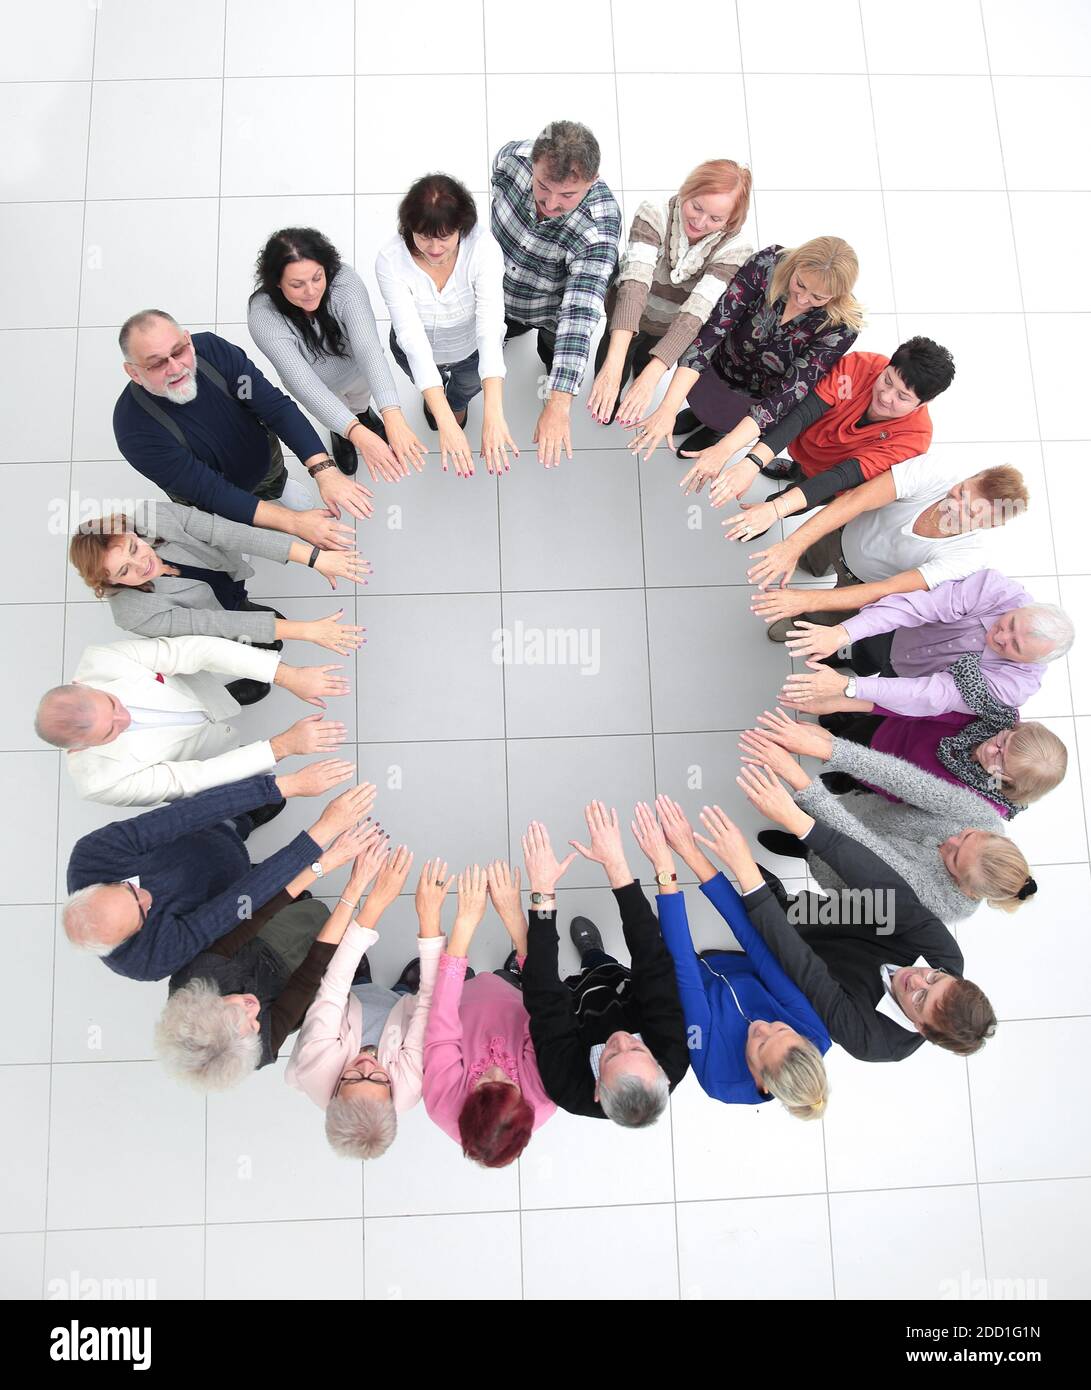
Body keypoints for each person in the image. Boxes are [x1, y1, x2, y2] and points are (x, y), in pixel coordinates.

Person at [729, 765, 996, 1062]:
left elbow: (806, 970)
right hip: (839, 922)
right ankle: (793, 868)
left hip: (799, 970)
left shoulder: (872, 1041)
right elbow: (884, 887)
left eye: (921, 998)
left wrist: (750, 884)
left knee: (753, 909)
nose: (917, 979)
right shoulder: (946, 957)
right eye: (934, 978)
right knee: (789, 907)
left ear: (921, 1029)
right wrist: (803, 825)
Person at [63, 776, 376, 982]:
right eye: (142, 913)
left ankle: (241, 823)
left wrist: (282, 786)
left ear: (101, 884)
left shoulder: (92, 856)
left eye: (130, 889)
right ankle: (270, 878)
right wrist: (321, 834)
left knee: (229, 827)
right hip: (226, 892)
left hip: (202, 835)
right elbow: (233, 905)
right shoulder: (148, 960)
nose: (147, 897)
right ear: (128, 939)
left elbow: (185, 815)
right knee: (257, 893)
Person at [636, 796, 829, 1117]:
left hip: (696, 988)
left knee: (666, 970)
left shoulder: (718, 1078)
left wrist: (665, 870)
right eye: (781, 1029)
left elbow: (686, 979)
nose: (763, 1026)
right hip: (740, 968)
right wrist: (689, 851)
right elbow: (754, 941)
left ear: (761, 1082)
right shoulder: (813, 1031)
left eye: (762, 1045)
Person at [739, 716, 1036, 923]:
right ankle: (804, 834)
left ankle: (804, 850)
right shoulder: (985, 818)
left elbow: (866, 854)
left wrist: (803, 785)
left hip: (843, 867)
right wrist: (830, 748)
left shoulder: (946, 905)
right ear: (992, 834)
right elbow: (909, 781)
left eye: (955, 857)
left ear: (967, 889)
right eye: (966, 836)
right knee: (815, 817)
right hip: (865, 812)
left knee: (814, 847)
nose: (951, 840)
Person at [113, 312, 372, 545]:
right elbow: (212, 491)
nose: (175, 367)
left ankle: (278, 489)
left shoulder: (213, 351)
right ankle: (245, 529)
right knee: (230, 526)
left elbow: (275, 408)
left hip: (261, 456)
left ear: (188, 340)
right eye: (157, 363)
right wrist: (295, 523)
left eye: (178, 351)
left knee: (274, 478)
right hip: (212, 499)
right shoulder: (134, 430)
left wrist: (323, 470)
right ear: (133, 372)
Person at [155, 827, 384, 1089]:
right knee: (328, 944)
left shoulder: (197, 974)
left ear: (207, 1003)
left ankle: (306, 907)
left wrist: (325, 864)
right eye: (254, 1026)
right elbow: (307, 977)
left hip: (260, 941)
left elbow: (256, 915)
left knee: (312, 913)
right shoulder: (253, 1050)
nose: (254, 1009)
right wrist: (354, 888)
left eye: (239, 1012)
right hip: (288, 982)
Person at [628, 239, 863, 493]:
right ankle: (697, 416)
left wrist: (725, 450)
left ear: (837, 296)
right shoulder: (768, 264)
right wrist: (668, 406)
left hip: (758, 397)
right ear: (794, 265)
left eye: (818, 297)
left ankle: (715, 433)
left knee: (723, 423)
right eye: (800, 284)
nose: (803, 299)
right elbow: (714, 328)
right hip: (720, 362)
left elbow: (792, 390)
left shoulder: (841, 326)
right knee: (699, 403)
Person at [35, 634, 352, 806]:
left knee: (221, 694)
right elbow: (193, 778)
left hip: (197, 691)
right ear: (78, 750)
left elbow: (192, 651)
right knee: (238, 797)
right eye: (110, 731)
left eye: (111, 703)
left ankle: (231, 697)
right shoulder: (100, 783)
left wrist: (288, 676)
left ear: (82, 685)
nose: (125, 716)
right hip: (202, 758)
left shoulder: (103, 660)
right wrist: (282, 747)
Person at [516, 809, 688, 1125]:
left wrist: (542, 891)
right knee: (603, 968)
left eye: (610, 1055)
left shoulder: (567, 1087)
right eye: (637, 1050)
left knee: (537, 980)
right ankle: (595, 957)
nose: (621, 1038)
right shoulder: (674, 1055)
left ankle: (521, 971)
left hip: (573, 1011)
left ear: (597, 1087)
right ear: (660, 1069)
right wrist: (616, 865)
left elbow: (545, 999)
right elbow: (652, 961)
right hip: (622, 989)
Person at [743, 460, 1029, 644]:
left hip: (862, 585)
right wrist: (793, 544)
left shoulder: (968, 556)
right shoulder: (938, 470)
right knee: (812, 558)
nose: (952, 507)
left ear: (989, 526)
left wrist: (803, 601)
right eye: (961, 493)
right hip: (843, 533)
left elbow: (886, 590)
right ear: (970, 475)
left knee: (821, 615)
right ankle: (811, 563)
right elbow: (857, 500)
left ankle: (799, 621)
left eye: (970, 512)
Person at [287, 851, 453, 1163]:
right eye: (378, 1080)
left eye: (352, 1078)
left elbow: (333, 987)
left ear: (334, 1092)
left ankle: (363, 982)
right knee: (408, 999)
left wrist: (375, 901)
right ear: (393, 1097)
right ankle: (402, 989)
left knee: (350, 979)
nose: (367, 1064)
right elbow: (429, 1001)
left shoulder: (315, 1064)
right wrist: (430, 917)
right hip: (396, 1018)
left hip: (349, 1008)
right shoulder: (411, 1086)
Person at [248, 227, 427, 483]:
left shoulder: (345, 282)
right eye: (297, 285)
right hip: (318, 385)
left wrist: (392, 413)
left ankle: (365, 415)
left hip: (356, 371)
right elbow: (303, 383)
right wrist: (354, 432)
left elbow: (368, 349)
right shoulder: (263, 315)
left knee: (360, 401)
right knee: (339, 415)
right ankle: (342, 435)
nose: (311, 291)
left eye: (317, 278)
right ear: (277, 282)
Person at [491, 121, 622, 467]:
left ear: (592, 182)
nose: (550, 203)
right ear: (533, 166)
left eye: (568, 195)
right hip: (499, 293)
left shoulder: (599, 225)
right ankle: (507, 333)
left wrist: (559, 401)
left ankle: (552, 367)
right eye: (543, 186)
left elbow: (579, 314)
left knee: (551, 347)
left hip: (551, 310)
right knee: (505, 327)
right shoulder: (511, 157)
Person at [586, 160, 754, 429]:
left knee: (646, 361)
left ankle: (638, 375)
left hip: (673, 326)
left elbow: (696, 313)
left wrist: (652, 377)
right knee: (613, 355)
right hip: (627, 314)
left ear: (731, 220)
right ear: (687, 190)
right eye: (696, 206)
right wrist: (613, 367)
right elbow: (634, 286)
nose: (699, 222)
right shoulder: (654, 213)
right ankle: (612, 391)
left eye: (715, 218)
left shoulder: (736, 249)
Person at [69, 504, 368, 655]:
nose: (142, 563)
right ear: (109, 582)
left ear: (130, 532)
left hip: (224, 585)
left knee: (245, 608)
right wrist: (309, 631)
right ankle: (256, 673)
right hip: (212, 624)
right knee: (244, 641)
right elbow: (216, 625)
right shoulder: (134, 613)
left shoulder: (155, 515)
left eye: (134, 548)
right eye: (124, 571)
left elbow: (229, 533)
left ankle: (246, 608)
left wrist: (315, 558)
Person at [705, 337, 954, 515]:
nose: (886, 397)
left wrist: (774, 510)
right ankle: (793, 469)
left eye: (902, 397)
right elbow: (803, 415)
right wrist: (753, 462)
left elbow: (842, 476)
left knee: (794, 499)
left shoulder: (914, 438)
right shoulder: (861, 366)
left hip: (831, 477)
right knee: (799, 467)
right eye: (887, 380)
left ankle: (773, 506)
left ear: (924, 403)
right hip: (805, 443)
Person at [780, 570, 1076, 718]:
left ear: (1028, 663)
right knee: (859, 653)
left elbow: (934, 694)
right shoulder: (998, 591)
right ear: (1023, 608)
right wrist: (843, 632)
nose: (1000, 637)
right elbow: (917, 607)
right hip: (899, 634)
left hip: (911, 684)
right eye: (1010, 624)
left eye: (1014, 647)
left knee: (863, 708)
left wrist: (851, 689)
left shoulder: (1014, 686)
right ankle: (839, 656)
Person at [375, 174, 516, 477]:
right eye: (424, 236)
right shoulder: (391, 260)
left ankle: (456, 404)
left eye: (444, 237)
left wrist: (493, 411)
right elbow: (412, 339)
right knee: (432, 390)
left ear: (461, 229)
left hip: (471, 349)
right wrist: (446, 423)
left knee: (464, 389)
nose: (434, 247)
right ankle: (439, 406)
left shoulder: (483, 248)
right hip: (417, 348)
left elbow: (490, 325)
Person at [423, 866, 555, 1167]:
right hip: (517, 1003)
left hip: (461, 1005)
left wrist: (465, 923)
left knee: (459, 981)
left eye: (483, 1084)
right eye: (508, 1085)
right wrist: (513, 916)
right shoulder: (543, 1099)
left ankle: (469, 975)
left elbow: (442, 1021)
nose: (497, 1072)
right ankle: (510, 975)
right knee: (508, 980)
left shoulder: (442, 1104)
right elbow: (543, 1010)